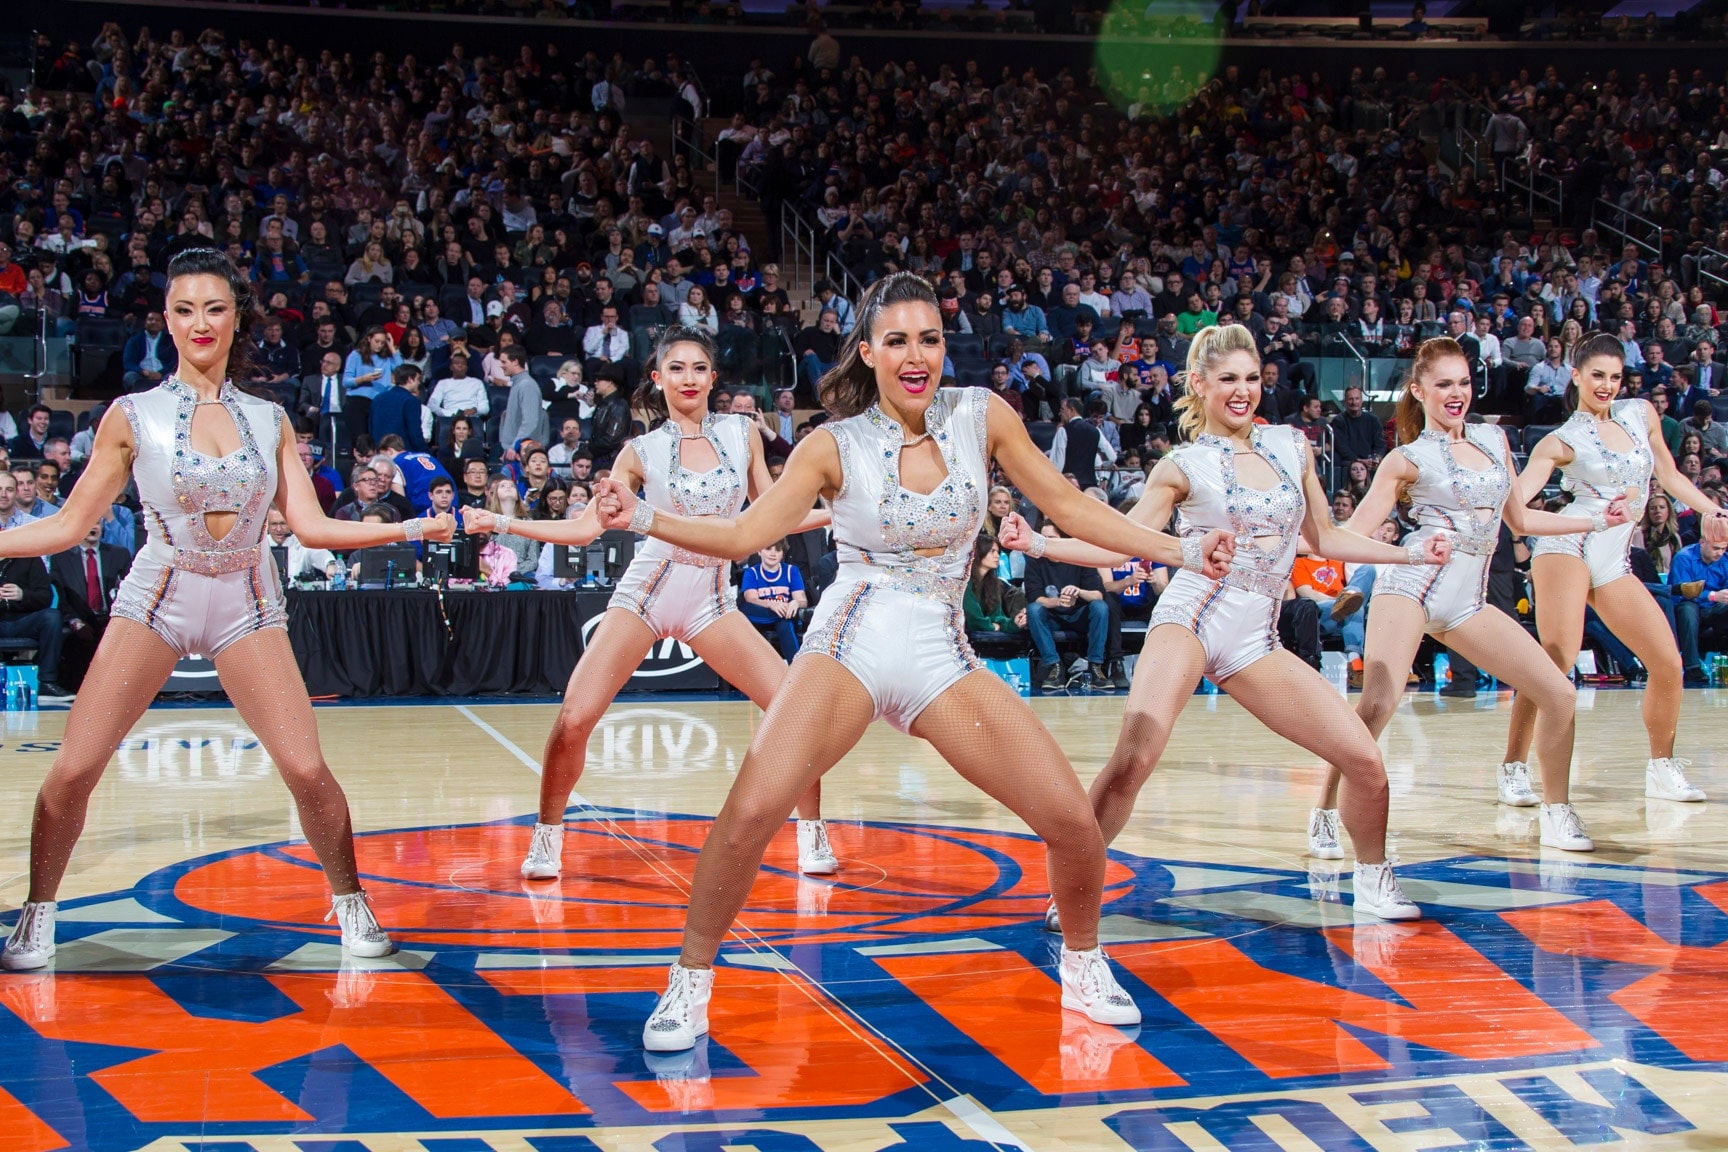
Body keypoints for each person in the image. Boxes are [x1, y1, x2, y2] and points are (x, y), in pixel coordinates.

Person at [590, 273, 1236, 1053]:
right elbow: (741, 536)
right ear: (868, 352)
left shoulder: (981, 415)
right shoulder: (832, 443)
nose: (915, 354)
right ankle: (689, 980)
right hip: (849, 645)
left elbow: (1068, 508)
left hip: (940, 654)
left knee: (1072, 825)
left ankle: (1083, 961)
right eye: (896, 340)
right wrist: (646, 516)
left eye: (928, 338)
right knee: (752, 814)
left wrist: (1183, 549)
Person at [0, 247, 457, 971]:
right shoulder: (131, 414)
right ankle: (37, 914)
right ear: (167, 321)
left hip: (247, 597)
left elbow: (310, 529)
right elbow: (65, 525)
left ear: (236, 317)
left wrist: (407, 527)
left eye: (214, 308)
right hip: (158, 593)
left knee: (307, 770)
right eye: (184, 309)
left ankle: (352, 907)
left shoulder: (269, 418)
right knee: (73, 769)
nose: (199, 323)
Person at [999, 323, 1441, 933]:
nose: (1242, 391)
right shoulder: (1182, 466)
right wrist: (1042, 541)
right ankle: (1075, 887)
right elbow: (1121, 545)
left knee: (1363, 758)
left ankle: (1372, 881)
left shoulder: (1293, 446)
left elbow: (1328, 539)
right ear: (1199, 385)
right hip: (1191, 618)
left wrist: (1413, 555)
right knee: (1136, 757)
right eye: (1227, 379)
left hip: (1257, 639)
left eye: (1252, 378)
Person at [462, 326, 839, 886]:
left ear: (713, 377)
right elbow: (587, 529)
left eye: (700, 368)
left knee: (796, 715)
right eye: (677, 369)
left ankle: (811, 831)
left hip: (713, 599)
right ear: (658, 379)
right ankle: (547, 833)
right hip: (647, 592)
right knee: (574, 719)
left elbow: (772, 514)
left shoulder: (743, 434)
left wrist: (839, 515)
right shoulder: (639, 451)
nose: (689, 379)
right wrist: (501, 521)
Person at [1309, 338, 1631, 861]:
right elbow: (1350, 533)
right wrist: (1293, 541)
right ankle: (1323, 810)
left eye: (1463, 382)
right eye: (1443, 385)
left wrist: (1596, 519)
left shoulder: (1492, 438)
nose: (1456, 394)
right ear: (1419, 390)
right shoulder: (1404, 459)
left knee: (1559, 693)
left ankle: (1556, 812)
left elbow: (1521, 520)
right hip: (1409, 589)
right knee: (1376, 706)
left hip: (1467, 603)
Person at [1499, 333, 1726, 804]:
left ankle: (1661, 768)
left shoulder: (1641, 413)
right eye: (1597, 376)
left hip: (1614, 557)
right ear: (1576, 376)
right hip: (1566, 545)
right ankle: (1513, 766)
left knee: (1667, 662)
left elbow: (1669, 475)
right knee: (1556, 661)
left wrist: (1711, 510)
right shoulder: (1561, 441)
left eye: (1615, 376)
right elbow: (1517, 498)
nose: (1607, 385)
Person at [1024, 520, 1111, 689]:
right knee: (1034, 610)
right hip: (1052, 616)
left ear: (1063, 539)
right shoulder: (1034, 560)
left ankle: (1095, 666)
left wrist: (1078, 592)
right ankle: (1054, 666)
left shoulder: (1079, 558)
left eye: (1051, 537)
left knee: (1100, 607)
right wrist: (1059, 601)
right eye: (1043, 537)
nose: (1046, 542)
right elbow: (1035, 597)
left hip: (1079, 615)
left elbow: (1098, 594)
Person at [740, 538, 807, 660]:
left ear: (782, 553)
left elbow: (803, 601)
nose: (773, 554)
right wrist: (772, 604)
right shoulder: (752, 572)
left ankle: (796, 668)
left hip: (783, 616)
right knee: (745, 609)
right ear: (759, 552)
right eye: (768, 549)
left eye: (778, 550)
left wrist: (796, 603)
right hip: (759, 616)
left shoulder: (791, 571)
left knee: (785, 622)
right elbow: (750, 598)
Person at [369, 363, 429, 451]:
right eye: (418, 379)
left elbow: (371, 428)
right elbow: (414, 433)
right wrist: (426, 452)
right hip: (403, 453)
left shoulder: (378, 398)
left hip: (381, 452)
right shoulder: (411, 400)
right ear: (409, 379)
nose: (419, 383)